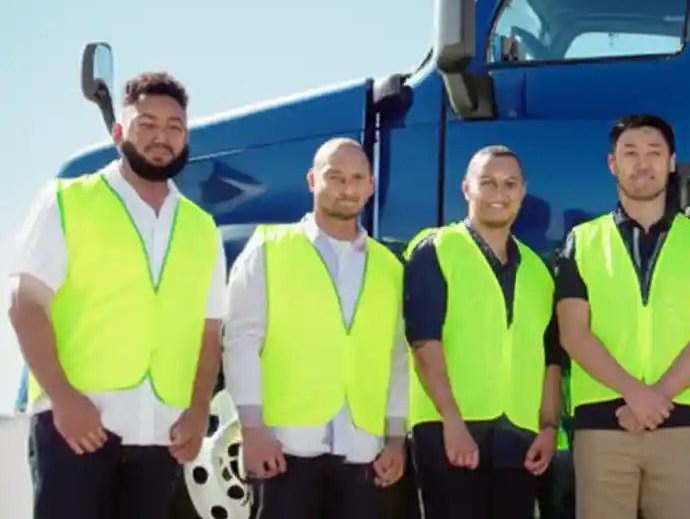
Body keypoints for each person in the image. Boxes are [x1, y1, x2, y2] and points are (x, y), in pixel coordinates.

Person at [8, 71, 226, 519]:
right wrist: (64, 400)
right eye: (146, 124)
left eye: (174, 127)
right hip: (77, 426)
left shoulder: (202, 228)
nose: (160, 137)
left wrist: (198, 409)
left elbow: (209, 331)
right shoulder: (68, 200)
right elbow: (25, 303)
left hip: (160, 436)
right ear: (119, 132)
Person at [555, 114, 690, 519]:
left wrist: (659, 397)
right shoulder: (582, 240)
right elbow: (574, 333)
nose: (642, 163)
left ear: (672, 162)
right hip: (603, 422)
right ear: (612, 164)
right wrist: (636, 395)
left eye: (654, 153)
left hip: (679, 420)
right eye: (629, 153)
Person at [222, 137, 407, 518]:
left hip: (363, 453)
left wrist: (394, 438)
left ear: (371, 186)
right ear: (311, 180)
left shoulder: (390, 268)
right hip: (285, 450)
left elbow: (396, 358)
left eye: (358, 178)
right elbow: (241, 342)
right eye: (335, 176)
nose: (347, 187)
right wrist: (252, 432)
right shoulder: (268, 248)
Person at [402, 145, 563, 519]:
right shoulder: (436, 248)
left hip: (518, 434)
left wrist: (549, 427)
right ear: (466, 188)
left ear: (523, 191)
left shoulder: (538, 270)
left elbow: (550, 358)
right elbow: (424, 343)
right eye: (487, 183)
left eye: (509, 184)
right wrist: (452, 421)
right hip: (450, 429)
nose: (499, 194)